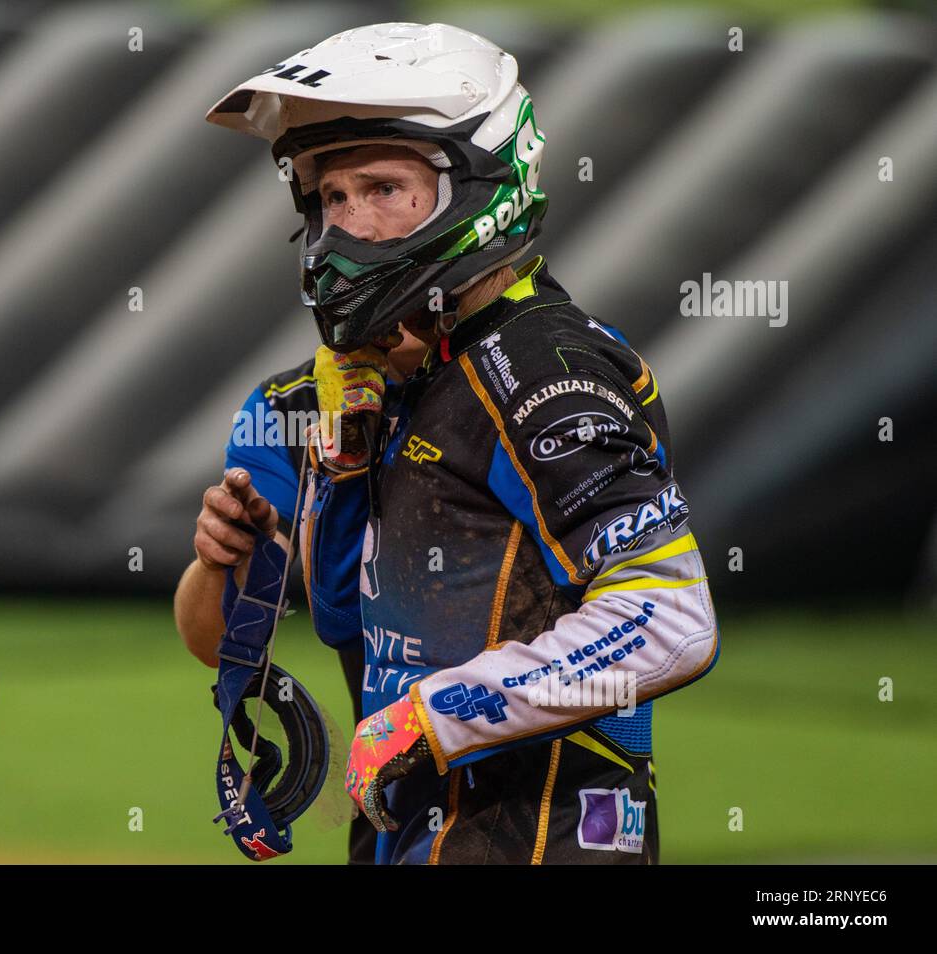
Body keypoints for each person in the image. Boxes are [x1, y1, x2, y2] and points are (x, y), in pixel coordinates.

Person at [204, 21, 721, 864]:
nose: (346, 227)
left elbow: (671, 616)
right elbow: (347, 624)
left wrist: (436, 718)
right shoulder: (396, 378)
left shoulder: (543, 367)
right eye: (330, 198)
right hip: (414, 835)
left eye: (382, 188)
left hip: (546, 837)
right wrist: (341, 464)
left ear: (482, 187)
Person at [174, 329, 428, 865]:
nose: (358, 245)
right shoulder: (293, 405)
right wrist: (222, 556)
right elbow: (214, 643)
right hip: (393, 790)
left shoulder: (552, 366)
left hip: (566, 785)